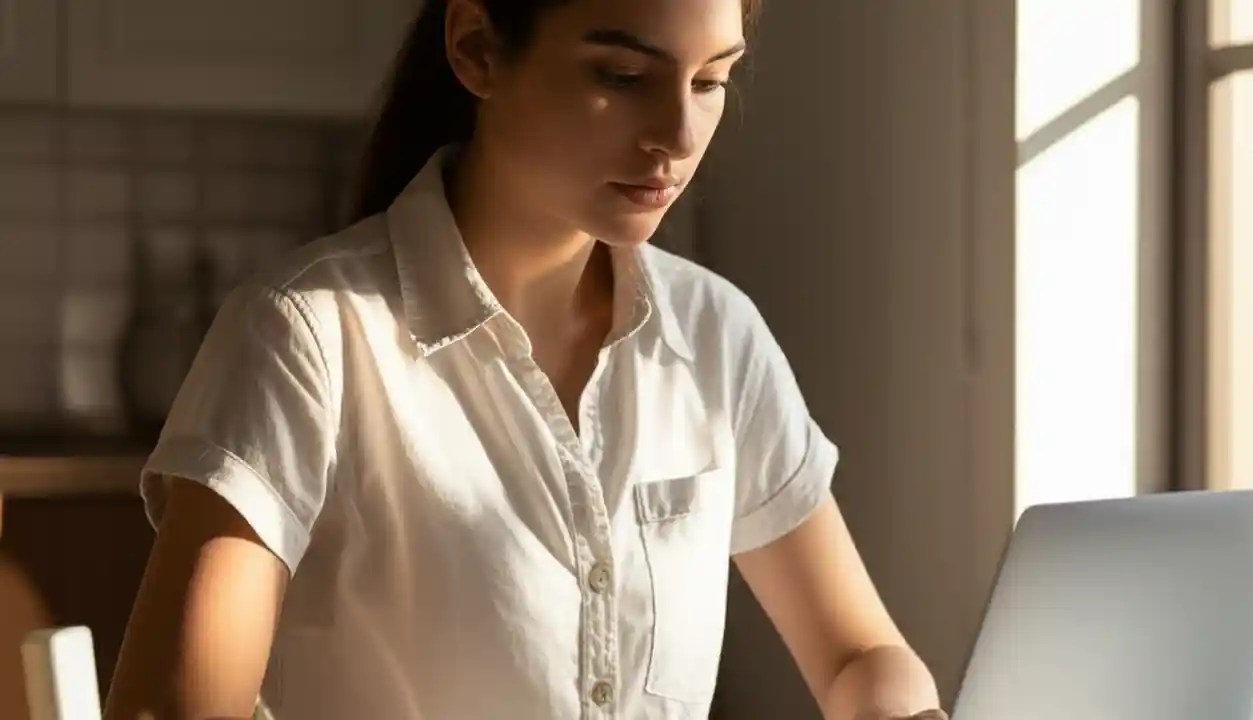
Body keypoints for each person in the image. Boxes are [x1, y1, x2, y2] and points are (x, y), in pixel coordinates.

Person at [104, 0, 946, 718]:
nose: (679, 134)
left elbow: (858, 654)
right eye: (624, 76)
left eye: (711, 80)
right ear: (476, 47)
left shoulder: (715, 335)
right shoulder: (307, 335)